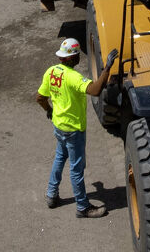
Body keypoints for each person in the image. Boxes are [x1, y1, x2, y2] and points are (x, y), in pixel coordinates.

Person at [37, 36, 117, 215]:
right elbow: (95, 90)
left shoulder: (51, 72)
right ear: (73, 57)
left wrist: (49, 110)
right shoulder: (73, 77)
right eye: (77, 54)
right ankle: (82, 207)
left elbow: (40, 97)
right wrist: (108, 68)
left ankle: (51, 194)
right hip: (74, 130)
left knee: (59, 158)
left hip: (59, 126)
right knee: (76, 168)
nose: (79, 57)